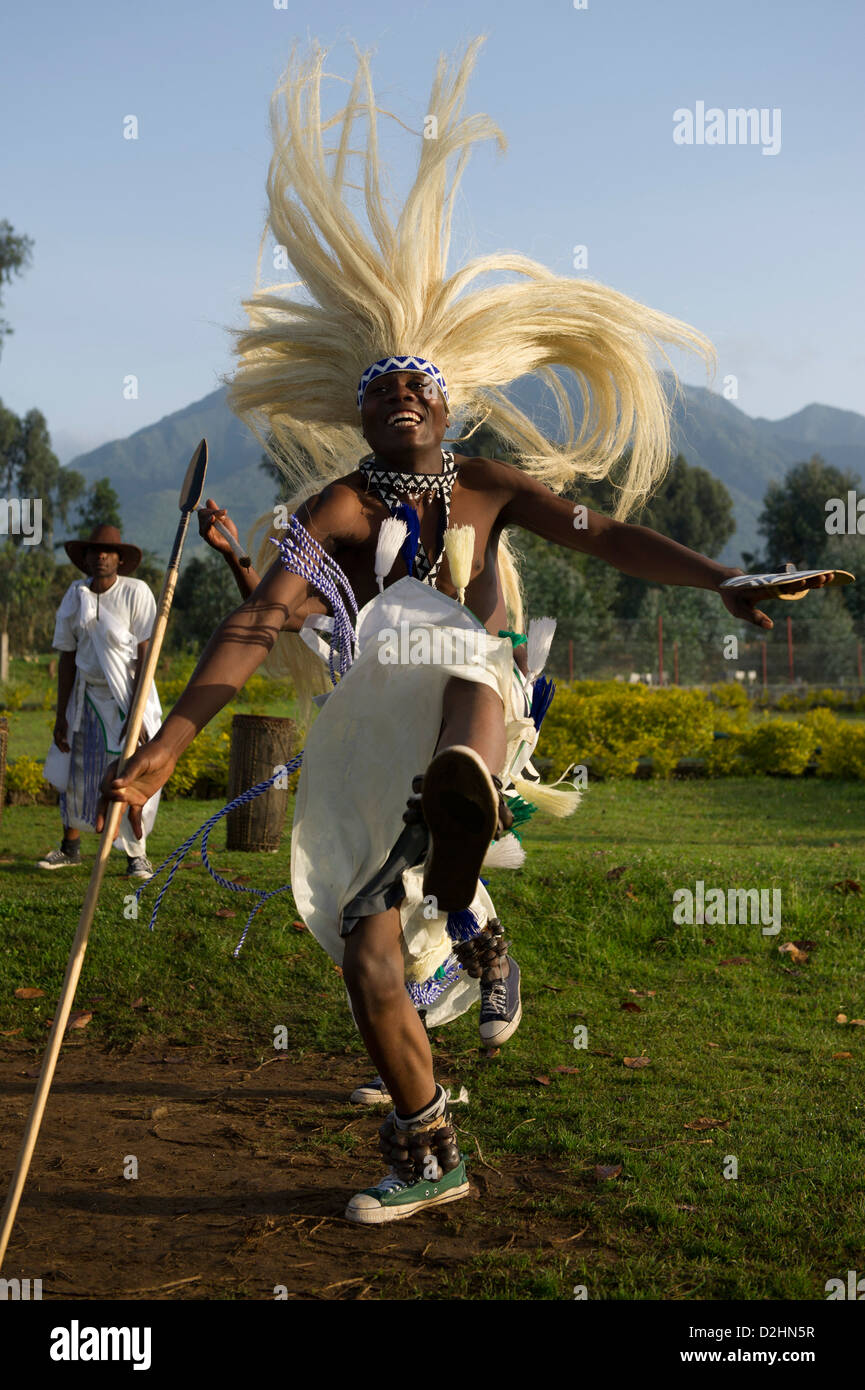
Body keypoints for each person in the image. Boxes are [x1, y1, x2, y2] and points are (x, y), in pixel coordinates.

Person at [98, 38, 826, 1223]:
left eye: (415, 385)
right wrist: (171, 744)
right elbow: (259, 618)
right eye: (378, 386)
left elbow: (605, 535)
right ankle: (428, 1144)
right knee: (363, 950)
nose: (397, 397)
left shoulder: (487, 487)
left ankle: (465, 799)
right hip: (370, 727)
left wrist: (722, 578)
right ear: (359, 408)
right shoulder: (330, 510)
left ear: (447, 402)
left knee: (459, 654)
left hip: (469, 695)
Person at [39, 523, 161, 879]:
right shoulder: (74, 594)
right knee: (77, 767)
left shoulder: (136, 593)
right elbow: (66, 655)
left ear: (120, 559)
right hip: (86, 694)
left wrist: (135, 713)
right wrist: (61, 714)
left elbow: (145, 657)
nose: (100, 557)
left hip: (127, 695)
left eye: (107, 552)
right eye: (93, 551)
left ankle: (135, 856)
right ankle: (70, 848)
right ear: (85, 558)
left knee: (126, 773)